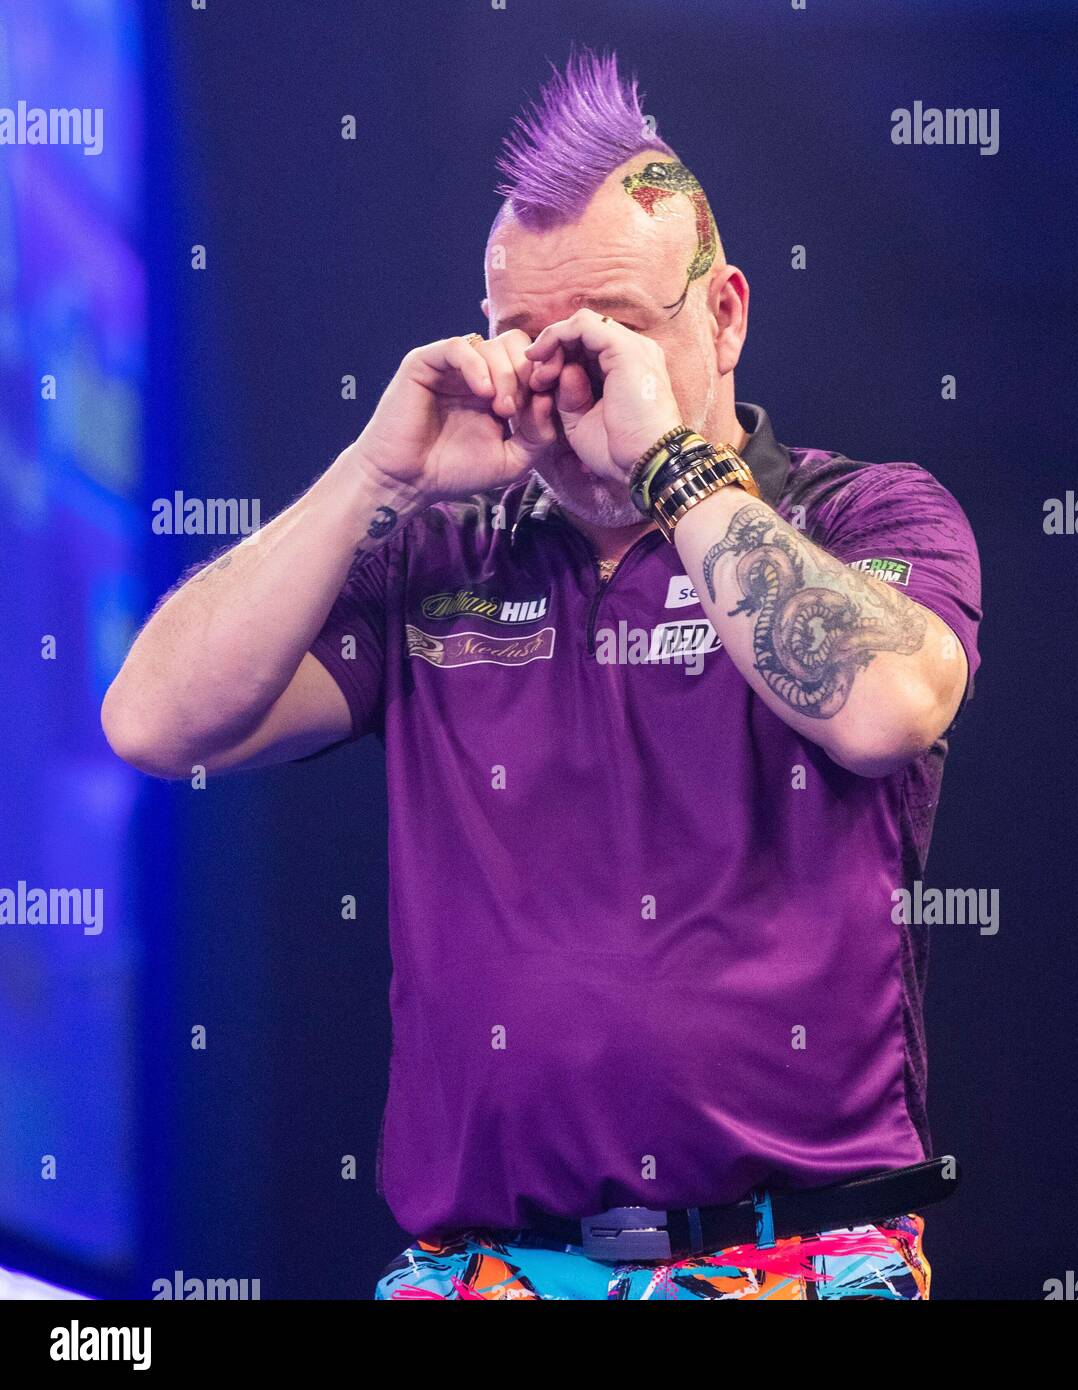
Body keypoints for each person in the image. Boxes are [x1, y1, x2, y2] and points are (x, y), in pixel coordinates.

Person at [102, 48, 982, 1301]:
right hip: (487, 1274)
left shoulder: (864, 513)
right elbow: (151, 718)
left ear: (724, 314)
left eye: (615, 331)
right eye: (529, 339)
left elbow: (887, 708)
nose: (569, 378)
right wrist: (376, 478)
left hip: (798, 1260)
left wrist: (669, 463)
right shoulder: (440, 554)